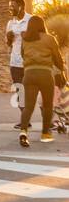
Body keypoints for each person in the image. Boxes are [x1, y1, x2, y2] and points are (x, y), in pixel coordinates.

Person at [17, 16, 64, 146]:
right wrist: (61, 69)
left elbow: (22, 54)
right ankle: (45, 134)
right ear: (42, 25)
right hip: (45, 74)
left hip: (29, 74)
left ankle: (23, 132)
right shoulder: (49, 39)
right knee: (48, 105)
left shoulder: (25, 39)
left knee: (28, 106)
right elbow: (57, 58)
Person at [7, 0, 31, 112]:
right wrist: (8, 37)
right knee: (20, 90)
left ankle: (49, 121)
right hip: (15, 62)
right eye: (9, 6)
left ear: (20, 7)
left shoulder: (31, 20)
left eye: (12, 6)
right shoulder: (10, 23)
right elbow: (8, 44)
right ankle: (25, 119)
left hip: (30, 62)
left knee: (33, 90)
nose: (10, 8)